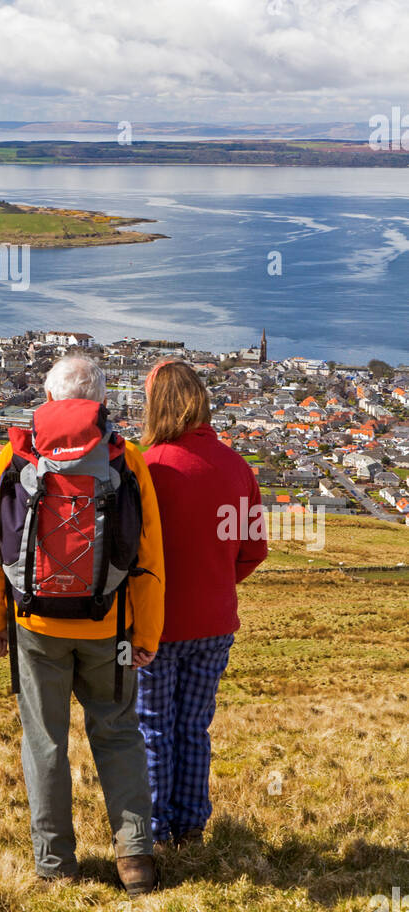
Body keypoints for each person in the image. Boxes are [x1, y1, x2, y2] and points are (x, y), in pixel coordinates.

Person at [0, 354, 165, 894]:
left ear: (50, 398)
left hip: (35, 627)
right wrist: (145, 635)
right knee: (119, 734)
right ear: (100, 401)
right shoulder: (128, 461)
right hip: (111, 627)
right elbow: (150, 558)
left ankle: (55, 866)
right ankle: (135, 862)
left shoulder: (17, 457)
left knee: (44, 742)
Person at [136, 360, 268, 850]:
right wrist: (215, 581)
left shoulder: (148, 468)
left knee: (153, 730)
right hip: (214, 624)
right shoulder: (235, 467)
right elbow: (253, 550)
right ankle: (190, 829)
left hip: (155, 627)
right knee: (193, 727)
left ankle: (152, 835)